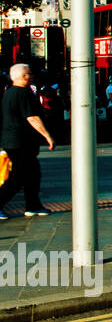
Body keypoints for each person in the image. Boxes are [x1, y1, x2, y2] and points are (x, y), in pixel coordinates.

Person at [0, 64, 56, 219]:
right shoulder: (22, 93)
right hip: (20, 142)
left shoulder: (10, 92)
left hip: (17, 141)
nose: (32, 76)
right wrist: (47, 136)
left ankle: (33, 206)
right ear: (22, 76)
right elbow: (32, 117)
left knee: (32, 174)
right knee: (18, 177)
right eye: (29, 74)